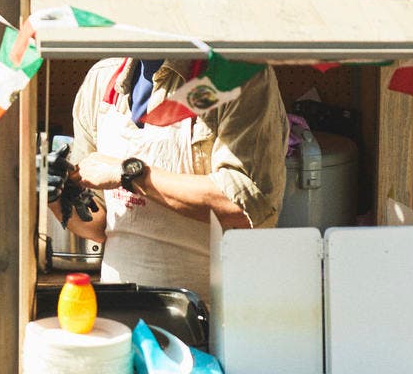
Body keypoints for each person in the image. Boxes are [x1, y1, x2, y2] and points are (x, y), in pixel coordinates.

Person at [52, 57, 288, 296]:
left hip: (214, 315)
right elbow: (97, 224)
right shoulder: (101, 81)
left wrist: (131, 174)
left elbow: (246, 206)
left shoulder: (233, 76)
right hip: (121, 306)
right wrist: (56, 196)